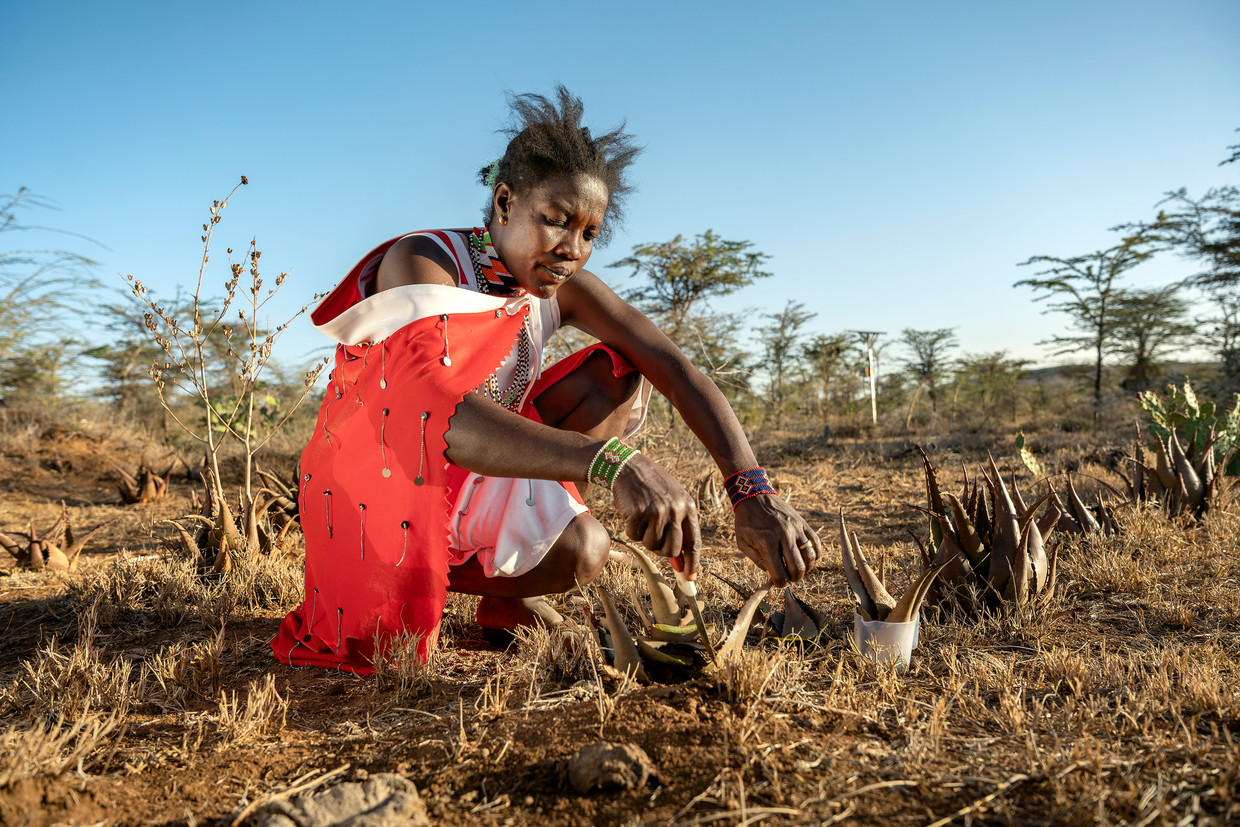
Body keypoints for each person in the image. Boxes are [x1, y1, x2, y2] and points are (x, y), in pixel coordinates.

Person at [272, 88, 821, 673]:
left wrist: (751, 491)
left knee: (616, 385)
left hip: (474, 466)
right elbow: (430, 411)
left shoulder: (555, 285)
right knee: (572, 550)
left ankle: (506, 599)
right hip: (385, 485)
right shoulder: (426, 262)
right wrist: (615, 462)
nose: (572, 250)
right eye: (556, 222)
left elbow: (674, 366)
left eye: (589, 233)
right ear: (505, 202)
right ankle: (439, 573)